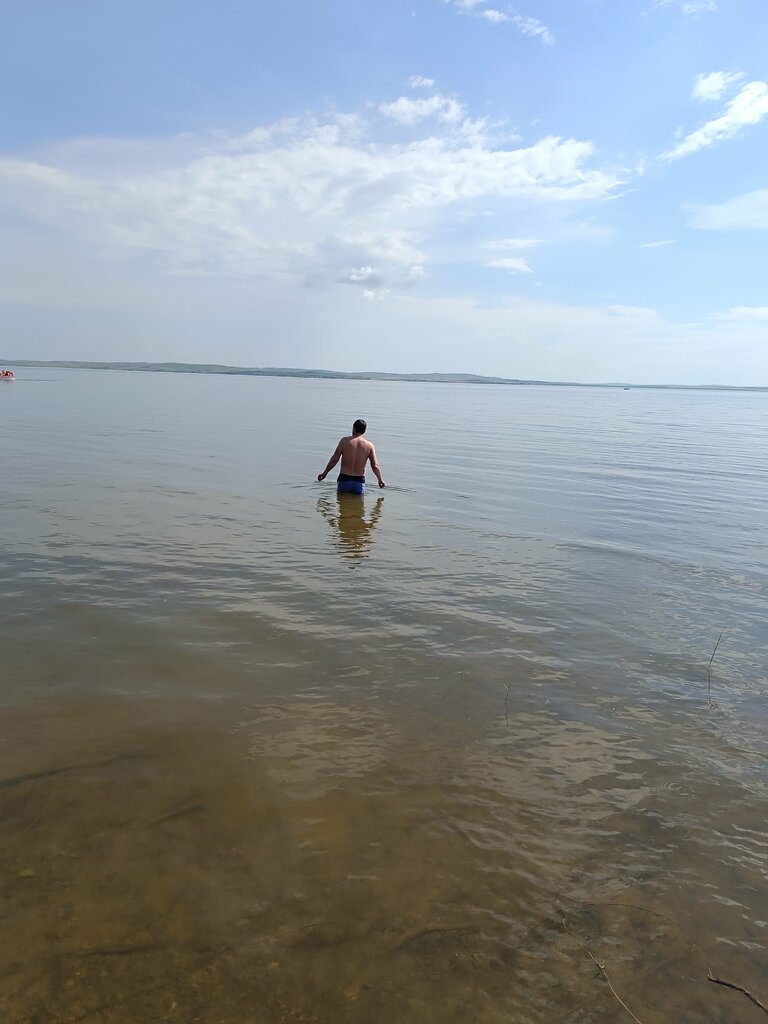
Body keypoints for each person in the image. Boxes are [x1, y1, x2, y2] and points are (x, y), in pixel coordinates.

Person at [317, 418, 385, 494]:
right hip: (359, 480)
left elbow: (334, 459)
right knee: (359, 505)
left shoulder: (344, 441)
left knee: (342, 503)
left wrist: (325, 473)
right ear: (364, 430)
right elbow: (375, 465)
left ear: (354, 428)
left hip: (344, 479)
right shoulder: (369, 445)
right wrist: (380, 479)